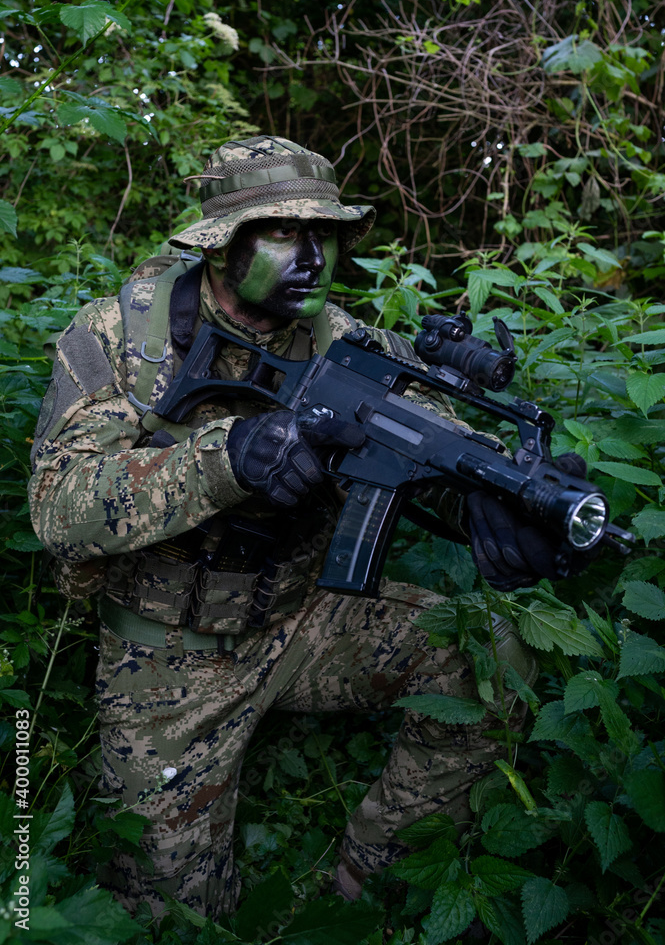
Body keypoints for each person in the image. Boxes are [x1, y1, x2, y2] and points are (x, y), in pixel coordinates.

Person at [29, 135, 550, 920]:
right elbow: (61, 508)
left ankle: (364, 891)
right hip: (166, 655)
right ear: (219, 246)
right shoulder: (120, 340)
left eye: (324, 233)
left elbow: (428, 449)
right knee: (169, 918)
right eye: (280, 232)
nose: (310, 255)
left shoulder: (346, 343)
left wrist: (504, 502)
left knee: (489, 659)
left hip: (303, 618)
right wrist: (227, 457)